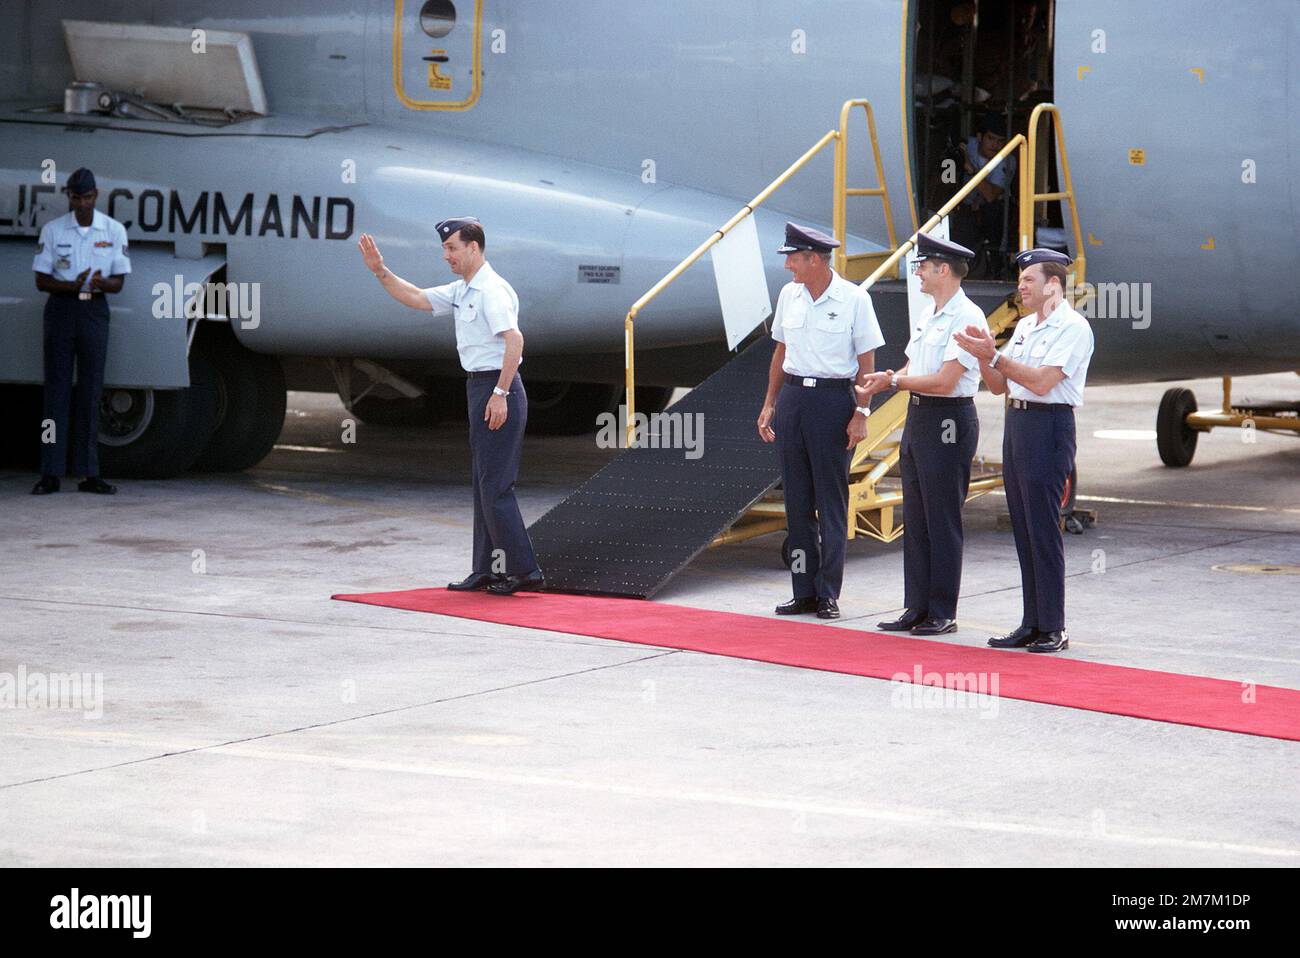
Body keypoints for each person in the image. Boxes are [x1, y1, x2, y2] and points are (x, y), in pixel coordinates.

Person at [357, 217, 543, 595]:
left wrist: (501, 394)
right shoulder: (465, 289)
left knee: (496, 488)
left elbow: (515, 341)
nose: (446, 256)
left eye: (451, 248)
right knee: (482, 485)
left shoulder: (492, 290)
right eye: (445, 249)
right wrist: (381, 272)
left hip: (497, 388)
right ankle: (487, 569)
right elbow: (417, 297)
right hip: (479, 388)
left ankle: (525, 570)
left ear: (473, 248)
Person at [953, 248, 1094, 653]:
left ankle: (1053, 626)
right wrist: (982, 356)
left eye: (1029, 279)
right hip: (1018, 423)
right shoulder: (1026, 326)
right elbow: (1000, 385)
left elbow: (1043, 382)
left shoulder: (1073, 327)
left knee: (1044, 528)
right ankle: (1031, 622)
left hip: (1048, 426)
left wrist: (994, 356)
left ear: (1054, 284)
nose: (1021, 286)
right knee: (1024, 527)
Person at [756, 223, 885, 620]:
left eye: (793, 258)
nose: (788, 266)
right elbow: (781, 350)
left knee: (831, 502)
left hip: (833, 400)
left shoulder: (854, 299)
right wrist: (770, 403)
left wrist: (861, 412)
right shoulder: (789, 295)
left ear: (814, 259)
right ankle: (803, 591)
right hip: (794, 398)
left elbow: (867, 363)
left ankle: (828, 593)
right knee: (796, 503)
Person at [863, 232, 988, 636]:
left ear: (944, 270)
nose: (917, 272)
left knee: (942, 518)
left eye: (923, 266)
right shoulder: (931, 313)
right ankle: (915, 606)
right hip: (919, 417)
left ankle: (941, 610)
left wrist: (896, 384)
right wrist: (887, 378)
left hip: (948, 419)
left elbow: (947, 380)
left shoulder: (967, 317)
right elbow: (912, 365)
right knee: (915, 517)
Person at [30, 167, 130, 495]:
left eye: (87, 197)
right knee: (55, 393)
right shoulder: (54, 231)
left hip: (93, 310)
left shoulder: (113, 231)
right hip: (61, 308)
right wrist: (69, 286)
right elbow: (41, 280)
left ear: (96, 195)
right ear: (69, 196)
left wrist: (102, 283)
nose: (82, 203)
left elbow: (119, 283)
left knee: (91, 392)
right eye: (76, 197)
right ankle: (50, 472)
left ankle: (90, 473)